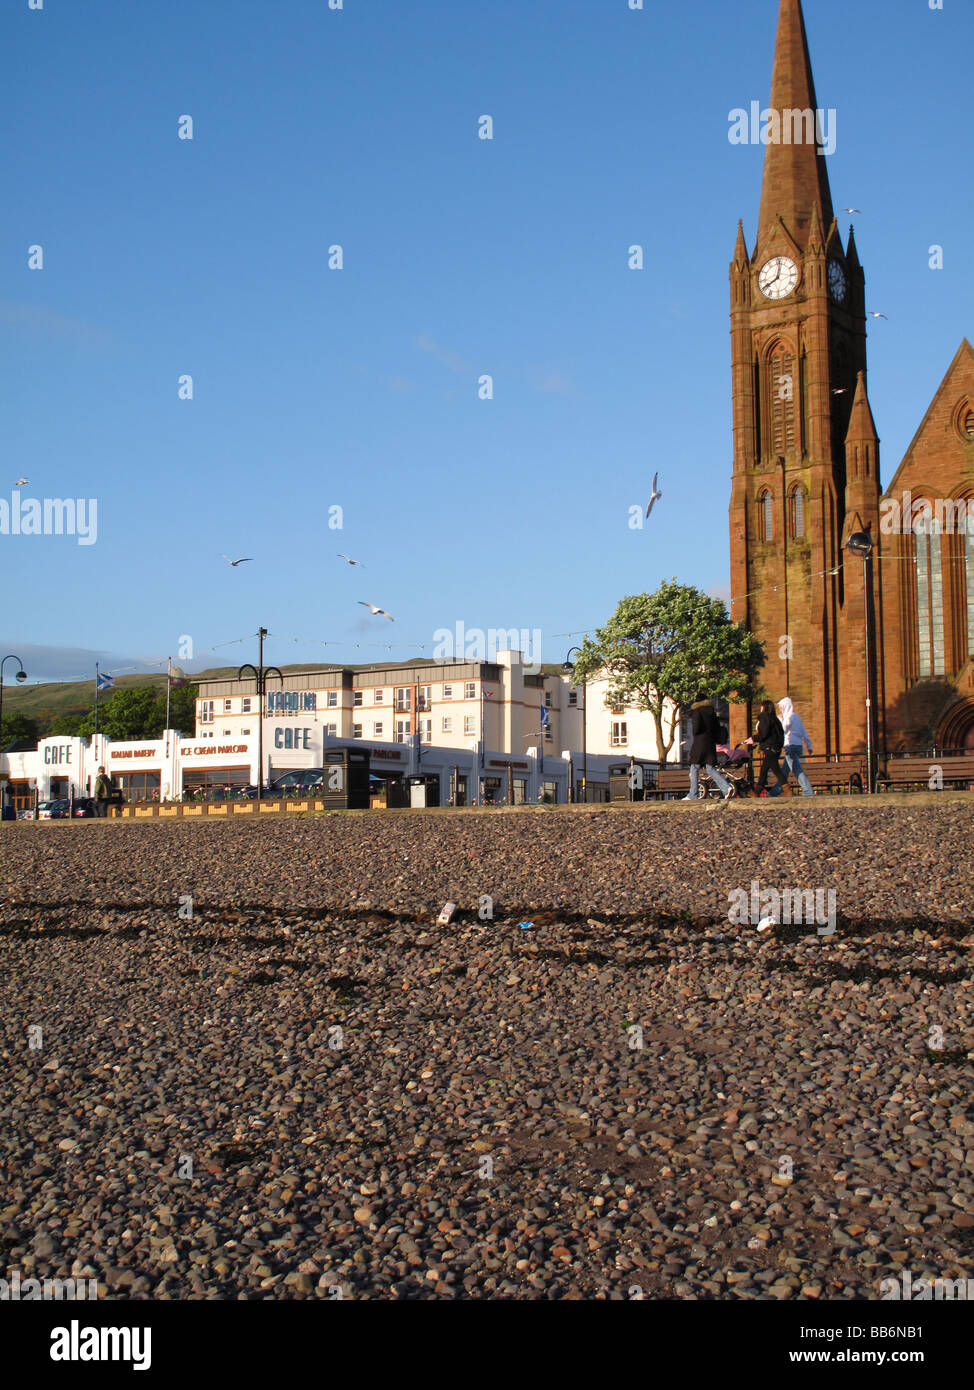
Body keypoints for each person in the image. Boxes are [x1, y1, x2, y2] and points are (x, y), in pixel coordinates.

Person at [683, 693, 734, 802]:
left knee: (694, 767)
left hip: (700, 743)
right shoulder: (712, 713)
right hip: (710, 743)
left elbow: (696, 729)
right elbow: (717, 729)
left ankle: (693, 794)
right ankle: (726, 788)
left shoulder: (697, 711)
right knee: (710, 768)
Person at [746, 700, 786, 797]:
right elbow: (780, 734)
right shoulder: (775, 719)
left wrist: (753, 739)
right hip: (775, 747)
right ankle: (757, 791)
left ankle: (787, 789)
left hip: (770, 747)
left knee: (776, 769)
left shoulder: (765, 718)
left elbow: (763, 733)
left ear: (764, 708)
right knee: (764, 770)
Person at [777, 697, 815, 796]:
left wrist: (780, 720)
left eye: (781, 707)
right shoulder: (797, 717)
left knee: (796, 769)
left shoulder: (788, 717)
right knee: (784, 771)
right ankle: (776, 791)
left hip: (790, 746)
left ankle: (807, 791)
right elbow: (804, 732)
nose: (780, 710)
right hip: (798, 746)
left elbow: (783, 729)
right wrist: (809, 746)